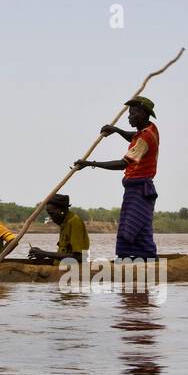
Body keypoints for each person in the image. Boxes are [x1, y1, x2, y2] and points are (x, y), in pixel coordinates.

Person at [74, 96, 160, 259]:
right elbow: (133, 136)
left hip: (140, 189)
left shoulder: (145, 138)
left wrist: (90, 163)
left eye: (132, 114)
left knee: (132, 227)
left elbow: (122, 164)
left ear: (143, 114)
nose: (129, 117)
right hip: (134, 188)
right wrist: (116, 130)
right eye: (129, 113)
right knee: (135, 226)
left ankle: (143, 259)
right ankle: (136, 258)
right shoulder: (150, 128)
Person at [27, 193, 89, 263]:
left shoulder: (74, 223)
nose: (51, 217)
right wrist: (41, 254)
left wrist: (45, 253)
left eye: (52, 213)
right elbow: (63, 254)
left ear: (62, 210)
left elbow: (79, 257)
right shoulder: (64, 224)